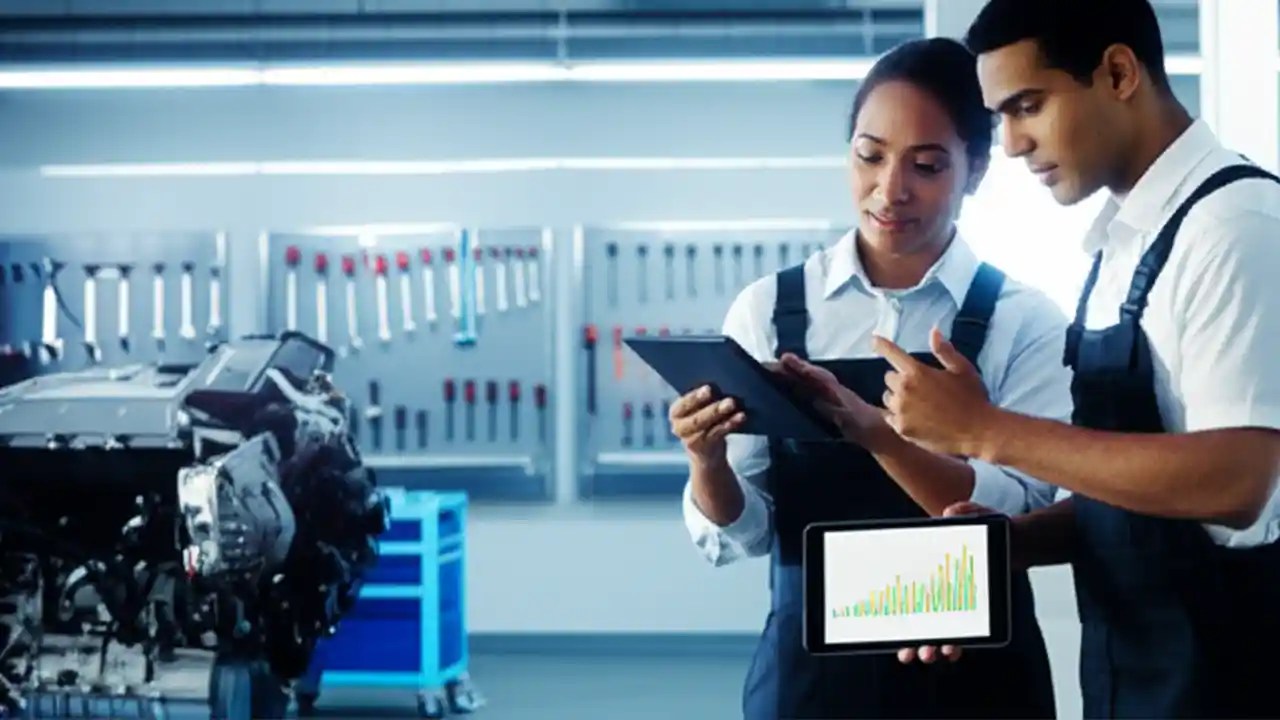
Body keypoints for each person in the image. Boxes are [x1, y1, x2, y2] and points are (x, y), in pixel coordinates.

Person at [875, 1, 1280, 718]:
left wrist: (984, 431)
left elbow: (1237, 480)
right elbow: (1136, 491)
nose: (1011, 144)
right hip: (1132, 676)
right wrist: (1010, 547)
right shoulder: (1117, 245)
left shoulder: (1234, 229)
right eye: (998, 116)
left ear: (1119, 72)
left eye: (1027, 106)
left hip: (1231, 680)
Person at [669, 37, 1068, 720]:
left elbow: (1027, 516)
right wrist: (707, 463)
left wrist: (879, 435)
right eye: (870, 155)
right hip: (811, 680)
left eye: (928, 165)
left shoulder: (1022, 320)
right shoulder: (768, 310)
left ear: (976, 171)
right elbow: (750, 533)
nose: (891, 190)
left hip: (976, 678)